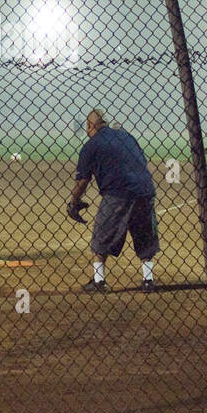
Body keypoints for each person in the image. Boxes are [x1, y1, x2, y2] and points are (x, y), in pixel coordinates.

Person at [68, 109, 160, 293]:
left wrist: (73, 203)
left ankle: (99, 281)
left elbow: (82, 181)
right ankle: (148, 280)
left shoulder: (91, 146)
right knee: (144, 236)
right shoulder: (127, 137)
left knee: (101, 235)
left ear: (89, 126)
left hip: (117, 193)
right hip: (144, 190)